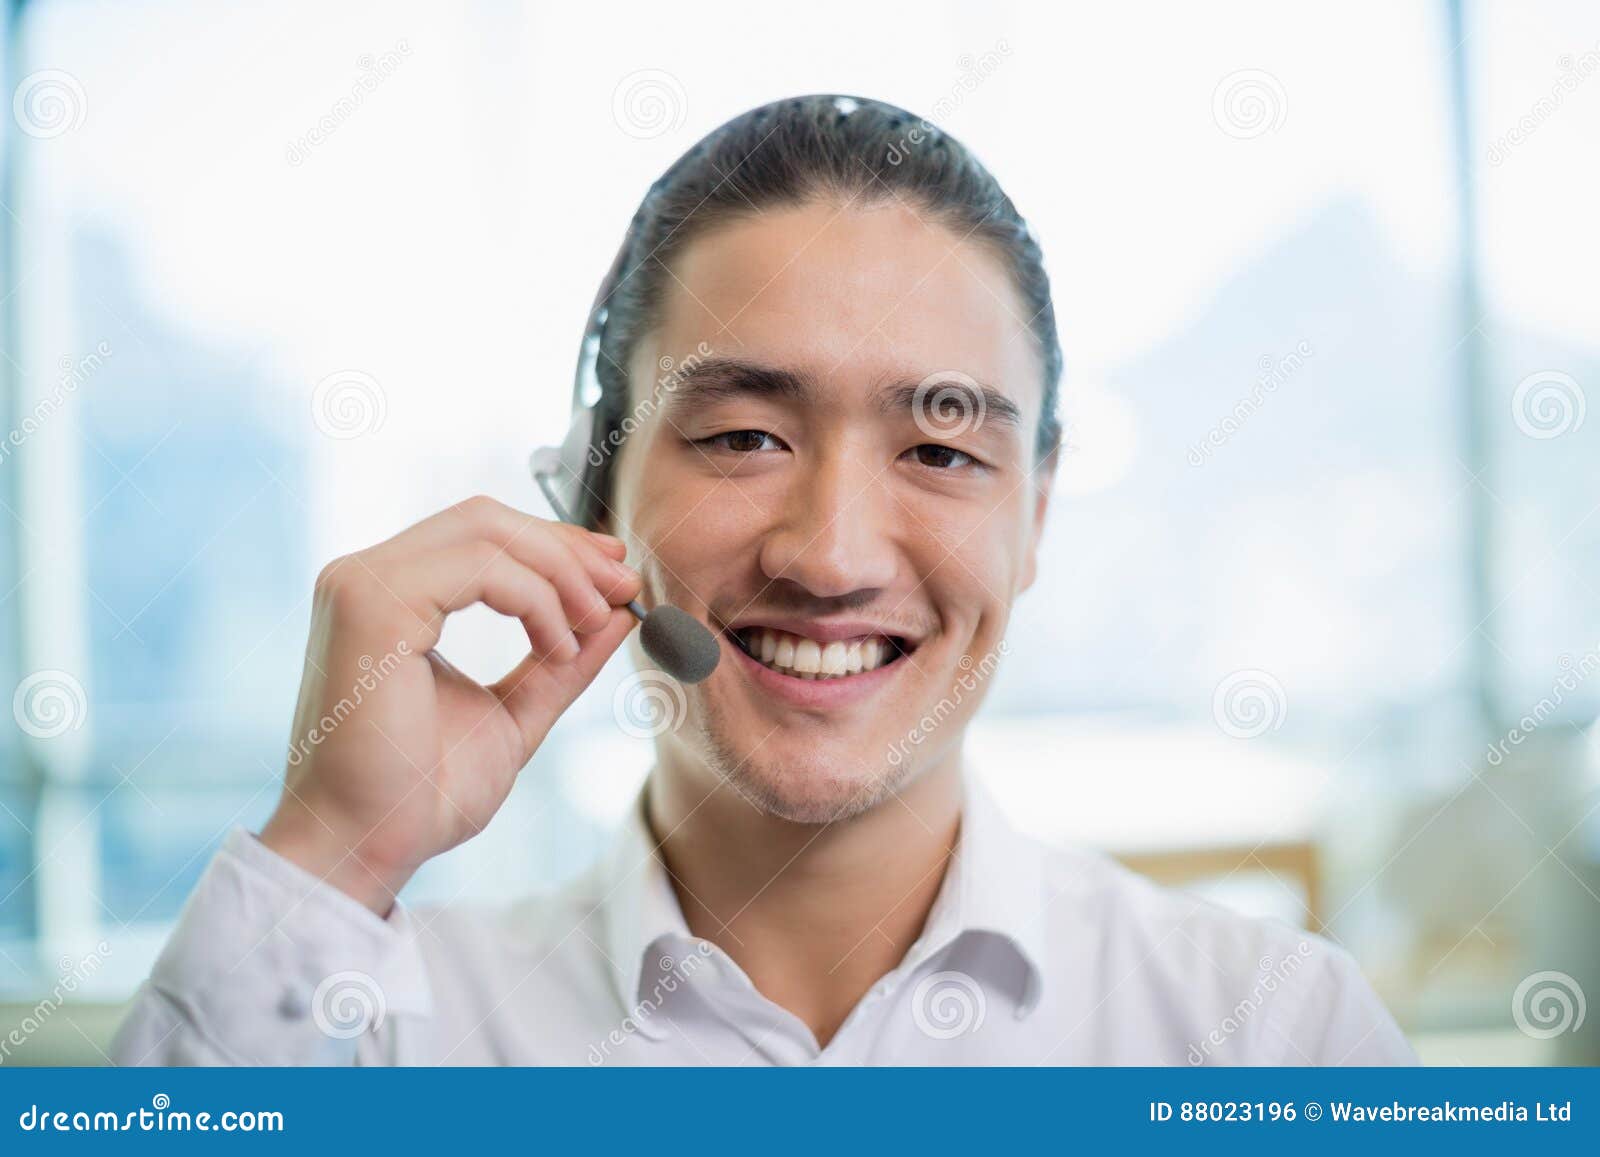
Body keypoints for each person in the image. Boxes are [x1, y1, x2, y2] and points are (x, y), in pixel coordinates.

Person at [111, 94, 1414, 1066]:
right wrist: (333, 853)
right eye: (743, 435)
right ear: (595, 491)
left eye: (942, 447)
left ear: (1036, 513)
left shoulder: (1270, 1039)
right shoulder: (376, 1032)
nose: (832, 554)